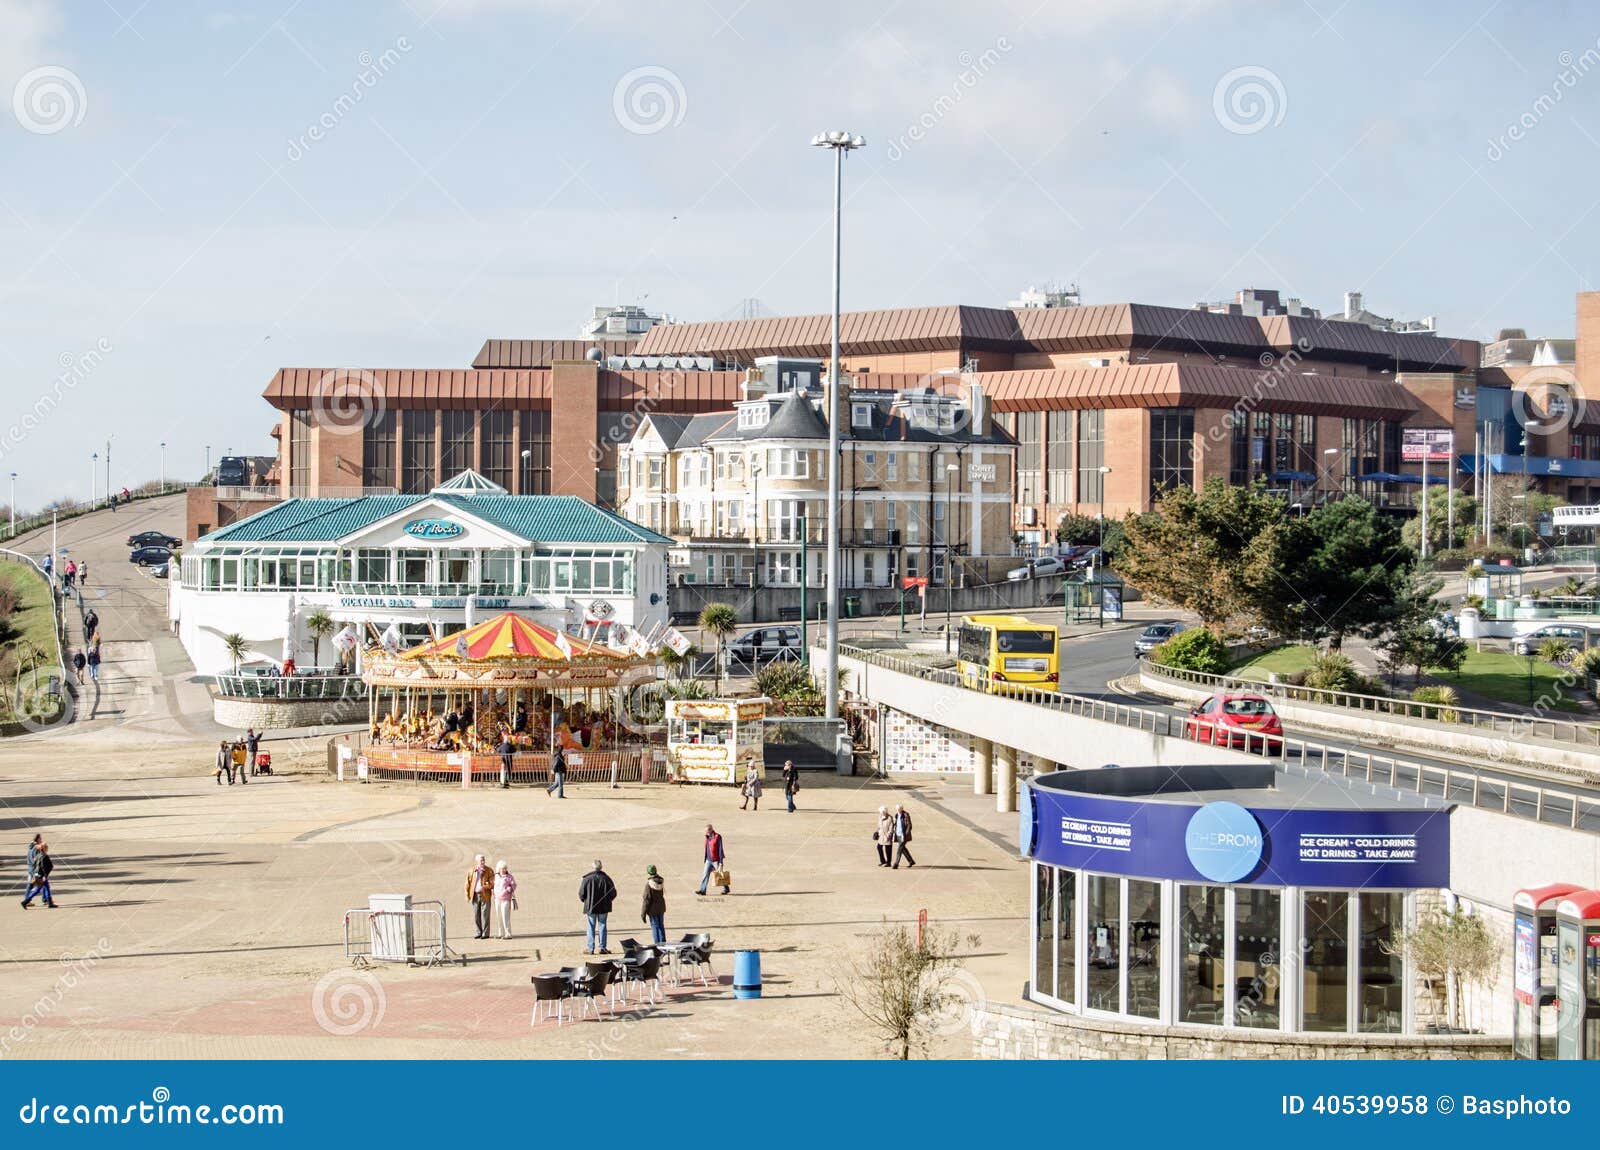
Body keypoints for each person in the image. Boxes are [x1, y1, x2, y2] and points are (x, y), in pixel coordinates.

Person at [578, 859, 617, 955]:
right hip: (603, 907)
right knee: (602, 925)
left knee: (591, 926)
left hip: (591, 907)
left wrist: (586, 901)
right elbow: (613, 893)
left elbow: (581, 893)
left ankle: (590, 948)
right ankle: (602, 947)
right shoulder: (606, 878)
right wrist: (608, 901)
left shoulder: (587, 879)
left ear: (593, 867)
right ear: (601, 867)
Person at [465, 854, 495, 940]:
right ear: (477, 861)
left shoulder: (489, 870)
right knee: (476, 915)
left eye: (483, 860)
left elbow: (492, 883)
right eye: (481, 860)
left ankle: (485, 933)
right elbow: (467, 883)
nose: (483, 861)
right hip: (474, 895)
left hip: (485, 895)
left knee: (485, 915)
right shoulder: (472, 870)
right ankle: (478, 932)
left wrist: (485, 886)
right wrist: (467, 895)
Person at [695, 824, 728, 896]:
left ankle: (726, 888)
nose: (706, 832)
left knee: (720, 875)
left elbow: (720, 850)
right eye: (705, 831)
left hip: (716, 860)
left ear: (711, 830)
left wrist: (721, 863)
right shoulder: (707, 837)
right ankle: (703, 890)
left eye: (707, 831)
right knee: (705, 875)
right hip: (708, 860)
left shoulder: (717, 837)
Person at [21, 842, 55, 908]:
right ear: (44, 848)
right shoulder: (45, 856)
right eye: (46, 847)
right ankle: (25, 902)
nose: (47, 848)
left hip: (38, 875)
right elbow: (44, 867)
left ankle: (50, 903)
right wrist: (45, 876)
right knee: (37, 890)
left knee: (46, 888)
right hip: (41, 876)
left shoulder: (38, 855)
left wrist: (34, 874)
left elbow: (34, 865)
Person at [641, 865, 667, 945]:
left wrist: (643, 913)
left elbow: (646, 900)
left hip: (653, 909)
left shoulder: (649, 884)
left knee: (655, 926)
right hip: (661, 908)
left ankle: (657, 944)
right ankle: (663, 943)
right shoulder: (661, 881)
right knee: (661, 925)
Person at [492, 860, 518, 939]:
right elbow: (493, 885)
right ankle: (501, 933)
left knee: (505, 916)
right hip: (497, 899)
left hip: (506, 899)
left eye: (505, 868)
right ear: (499, 869)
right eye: (503, 868)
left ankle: (508, 934)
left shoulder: (509, 877)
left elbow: (514, 885)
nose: (504, 870)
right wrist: (493, 892)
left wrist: (509, 889)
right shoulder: (495, 876)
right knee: (499, 916)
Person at [891, 803, 916, 869]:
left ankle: (896, 863)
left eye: (899, 809)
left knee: (900, 849)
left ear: (902, 809)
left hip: (903, 835)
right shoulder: (896, 815)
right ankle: (911, 861)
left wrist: (905, 834)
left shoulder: (906, 815)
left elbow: (909, 825)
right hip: (898, 834)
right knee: (903, 849)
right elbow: (896, 824)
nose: (898, 810)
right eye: (897, 809)